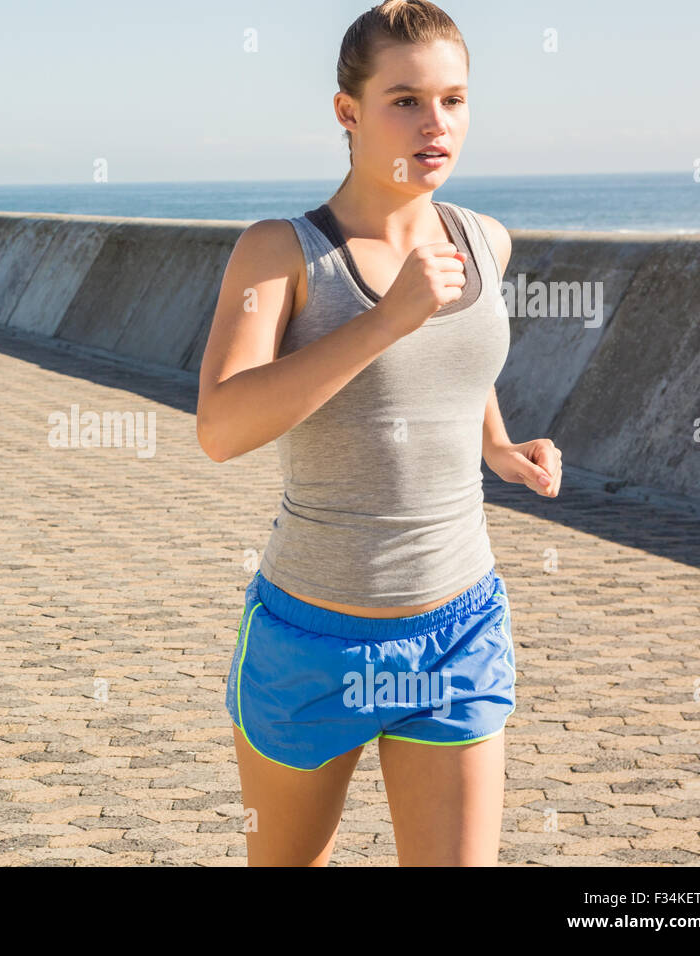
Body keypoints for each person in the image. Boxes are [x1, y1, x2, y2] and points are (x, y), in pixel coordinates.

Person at [196, 0, 562, 866]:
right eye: (405, 100)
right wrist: (385, 320)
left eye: (454, 99)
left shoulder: (485, 242)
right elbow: (221, 427)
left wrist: (498, 448)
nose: (436, 124)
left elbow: (461, 364)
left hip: (459, 624)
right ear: (347, 113)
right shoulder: (279, 254)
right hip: (313, 637)